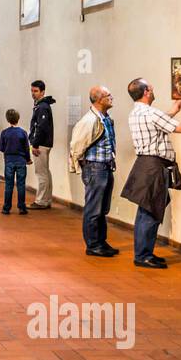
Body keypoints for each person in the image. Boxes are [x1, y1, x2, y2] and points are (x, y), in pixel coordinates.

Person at [121, 78, 181, 268]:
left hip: (145, 165)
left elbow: (156, 123)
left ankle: (144, 252)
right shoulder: (150, 113)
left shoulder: (136, 113)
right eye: (151, 86)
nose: (153, 88)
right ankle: (143, 256)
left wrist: (173, 111)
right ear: (147, 92)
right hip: (152, 167)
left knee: (147, 210)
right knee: (149, 211)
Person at [68, 85, 118, 258]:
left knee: (102, 208)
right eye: (108, 95)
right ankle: (93, 245)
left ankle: (101, 241)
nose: (111, 97)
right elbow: (77, 145)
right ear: (98, 99)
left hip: (105, 166)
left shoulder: (105, 118)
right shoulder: (89, 121)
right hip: (95, 168)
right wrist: (83, 165)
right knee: (93, 208)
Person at [0, 108, 32, 215]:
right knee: (21, 184)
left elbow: (1, 147)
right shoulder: (23, 133)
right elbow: (27, 148)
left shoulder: (4, 133)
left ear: (7, 119)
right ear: (18, 118)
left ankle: (6, 208)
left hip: (9, 161)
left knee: (9, 184)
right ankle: (21, 207)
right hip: (21, 161)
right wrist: (28, 159)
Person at [28, 80, 56, 208]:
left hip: (41, 144)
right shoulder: (40, 105)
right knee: (45, 172)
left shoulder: (43, 107)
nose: (33, 94)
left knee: (41, 173)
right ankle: (47, 199)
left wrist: (35, 144)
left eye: (36, 91)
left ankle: (41, 201)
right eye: (32, 91)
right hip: (44, 143)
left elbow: (41, 127)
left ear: (43, 92)